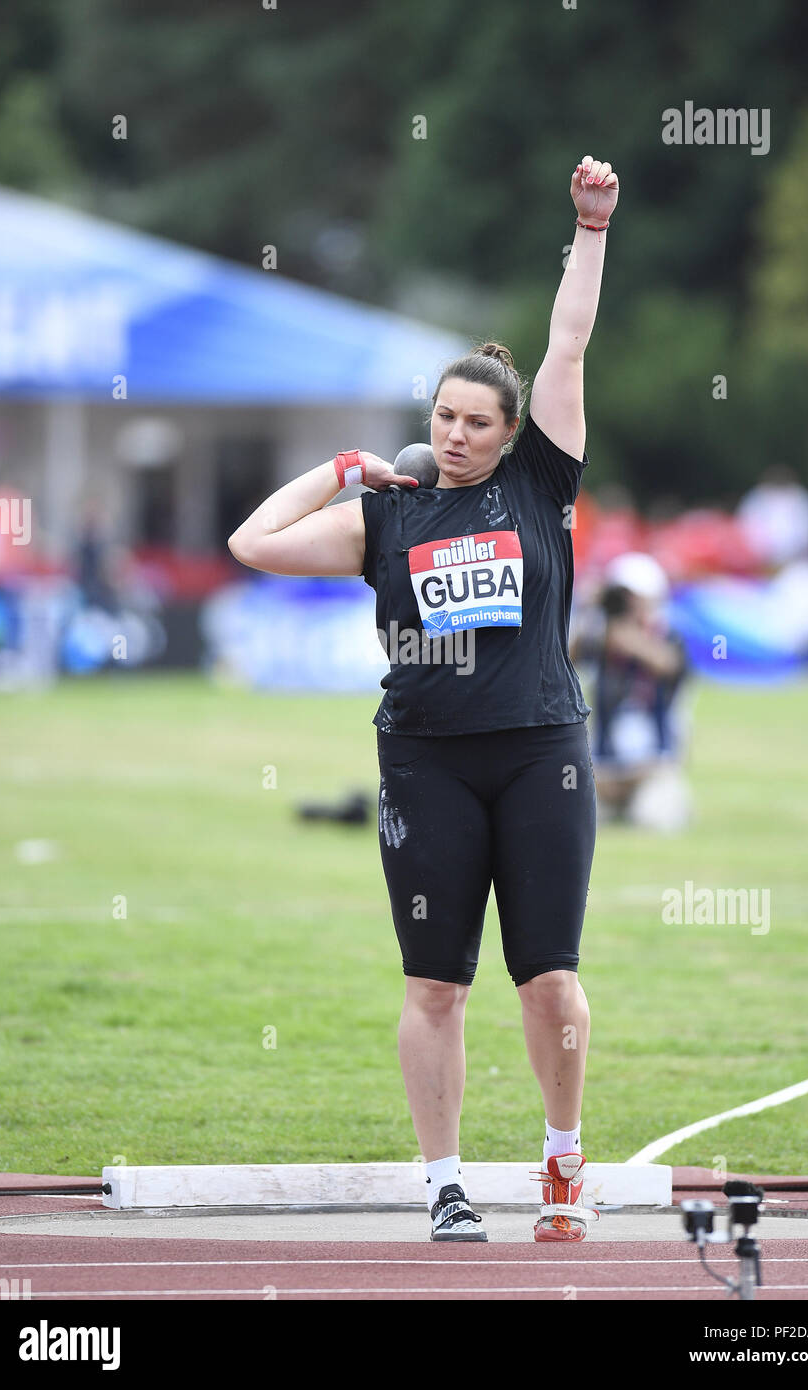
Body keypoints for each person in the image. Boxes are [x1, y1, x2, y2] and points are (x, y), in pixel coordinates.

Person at [228, 154, 619, 1243]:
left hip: (540, 747)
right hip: (425, 761)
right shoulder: (387, 518)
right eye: (440, 417)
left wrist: (588, 230)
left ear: (508, 433)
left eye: (474, 422)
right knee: (435, 986)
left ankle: (558, 1154)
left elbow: (570, 343)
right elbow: (251, 542)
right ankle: (444, 1180)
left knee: (547, 979)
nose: (453, 433)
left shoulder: (541, 483)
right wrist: (346, 467)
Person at [571, 551, 692, 832]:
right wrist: (591, 611)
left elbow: (667, 664)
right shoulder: (598, 638)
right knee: (570, 818)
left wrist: (624, 634)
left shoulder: (670, 637)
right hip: (604, 774)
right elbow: (565, 659)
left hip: (654, 768)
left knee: (655, 819)